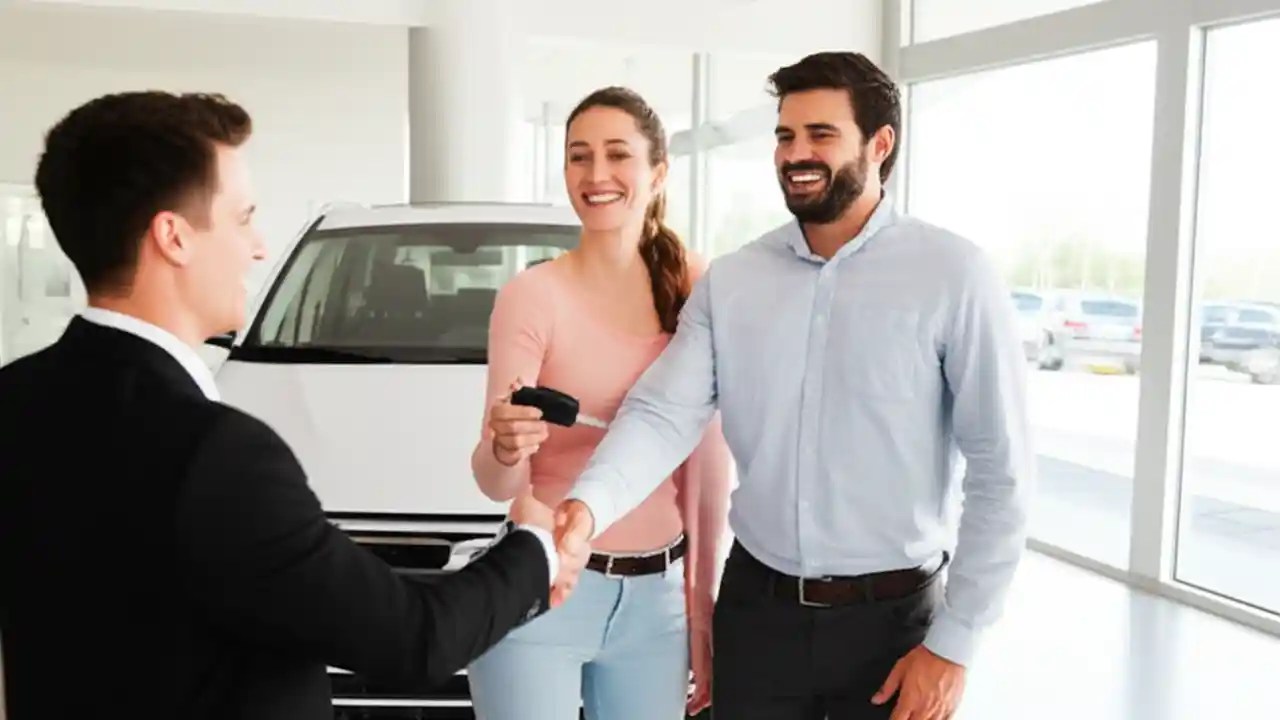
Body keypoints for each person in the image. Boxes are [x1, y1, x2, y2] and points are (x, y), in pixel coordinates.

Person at [0, 91, 587, 720]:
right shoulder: (217, 453)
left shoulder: (15, 399)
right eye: (243, 217)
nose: (257, 246)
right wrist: (534, 546)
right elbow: (416, 638)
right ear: (173, 237)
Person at [555, 52, 1034, 720]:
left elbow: (1001, 471)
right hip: (759, 616)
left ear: (881, 143)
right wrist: (588, 506)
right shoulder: (737, 280)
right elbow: (664, 413)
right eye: (785, 136)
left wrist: (955, 645)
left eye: (821, 135)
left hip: (895, 626)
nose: (795, 153)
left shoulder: (954, 275)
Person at [465, 86, 733, 720]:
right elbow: (496, 480)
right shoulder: (533, 296)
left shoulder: (698, 285)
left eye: (618, 155)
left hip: (658, 608)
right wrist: (504, 447)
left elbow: (707, 468)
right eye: (579, 156)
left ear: (657, 172)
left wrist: (701, 607)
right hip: (547, 588)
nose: (596, 175)